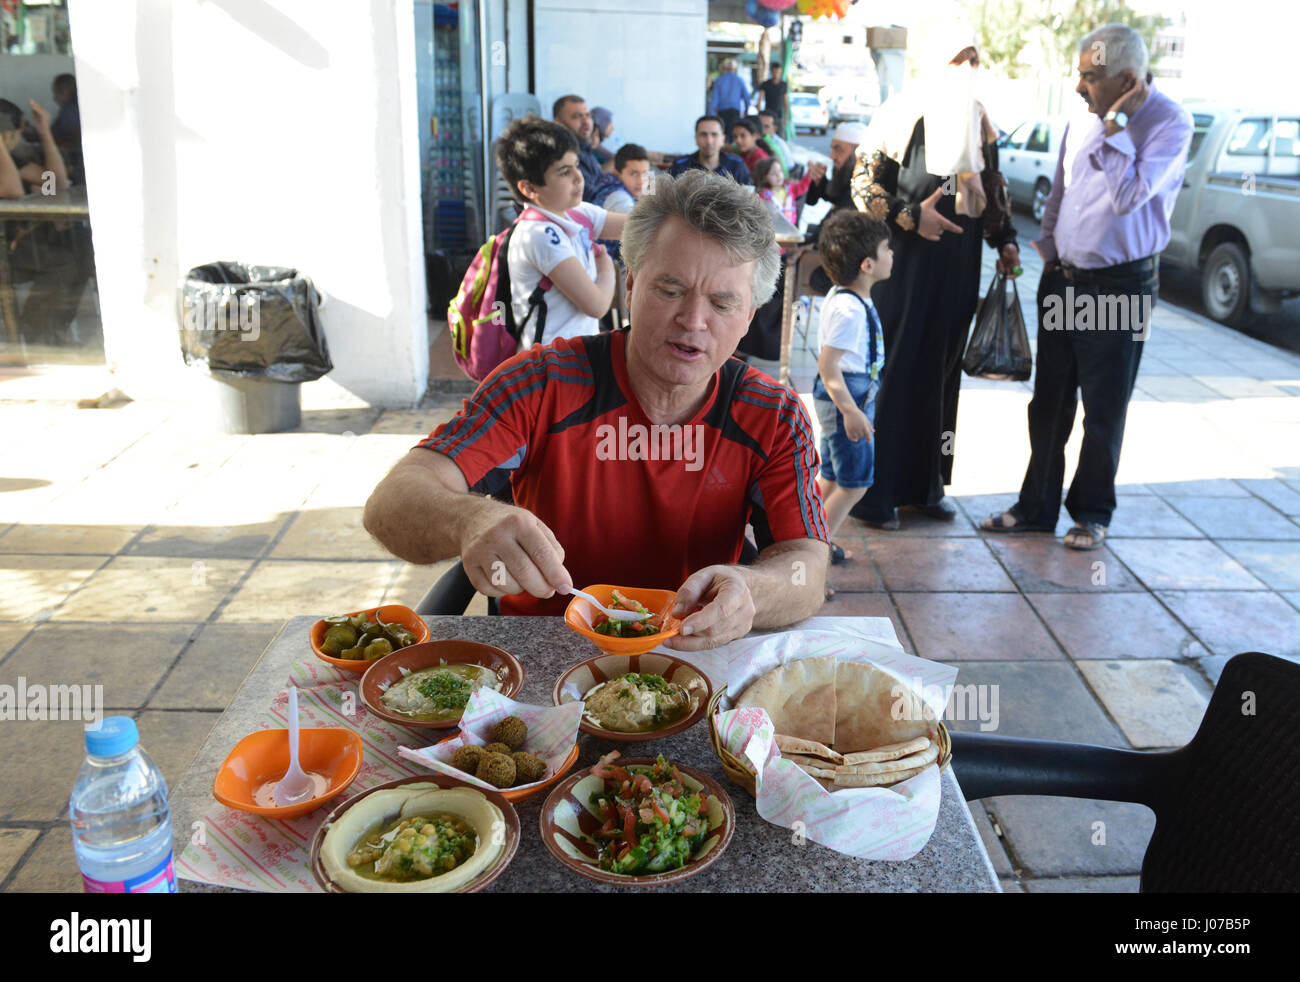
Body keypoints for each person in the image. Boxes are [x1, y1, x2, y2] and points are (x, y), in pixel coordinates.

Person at [363, 170, 830, 649]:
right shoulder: (543, 383)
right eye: (670, 290)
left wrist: (754, 589)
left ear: (750, 315)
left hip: (690, 659)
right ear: (630, 286)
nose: (693, 321)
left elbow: (807, 568)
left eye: (722, 302)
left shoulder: (771, 416)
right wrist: (466, 521)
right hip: (537, 658)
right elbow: (390, 503)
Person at [982, 24, 1192, 550]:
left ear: (1125, 80)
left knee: (1103, 408)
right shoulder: (1081, 117)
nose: (1079, 88)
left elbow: (1129, 196)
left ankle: (1091, 514)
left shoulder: (1169, 122)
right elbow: (1062, 192)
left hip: (1120, 288)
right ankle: (1035, 507)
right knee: (1049, 402)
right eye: (1078, 75)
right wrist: (1048, 253)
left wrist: (1118, 123)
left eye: (1090, 78)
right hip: (1064, 282)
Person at [847, 29, 1019, 531]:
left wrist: (1003, 238)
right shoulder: (901, 113)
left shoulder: (980, 120)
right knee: (897, 372)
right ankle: (874, 495)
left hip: (958, 268)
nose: (967, 71)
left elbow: (993, 189)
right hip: (903, 265)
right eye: (958, 60)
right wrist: (907, 216)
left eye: (974, 61)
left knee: (941, 376)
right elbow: (862, 185)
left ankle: (926, 486)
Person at [495, 116, 629, 348]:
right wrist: (604, 262)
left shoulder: (575, 212)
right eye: (565, 172)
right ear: (529, 188)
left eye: (577, 166)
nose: (579, 178)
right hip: (547, 368)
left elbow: (638, 225)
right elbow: (596, 306)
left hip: (573, 359)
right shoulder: (539, 234)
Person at [812, 211, 891, 571]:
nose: (893, 256)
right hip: (846, 398)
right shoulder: (849, 310)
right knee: (855, 483)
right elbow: (828, 366)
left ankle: (807, 538)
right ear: (868, 264)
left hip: (846, 396)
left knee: (831, 476)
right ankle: (812, 559)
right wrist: (851, 411)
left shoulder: (846, 297)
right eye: (888, 249)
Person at [669, 115, 751, 185]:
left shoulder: (736, 165)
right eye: (703, 135)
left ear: (723, 139)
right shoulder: (680, 165)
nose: (709, 141)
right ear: (696, 138)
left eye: (714, 135)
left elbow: (749, 196)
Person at [553, 95, 605, 202]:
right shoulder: (562, 153)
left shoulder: (584, 146)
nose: (586, 122)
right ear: (559, 123)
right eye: (577, 116)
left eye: (588, 115)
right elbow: (591, 197)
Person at [753, 157, 812, 228]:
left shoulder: (790, 188)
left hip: (790, 229)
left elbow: (803, 185)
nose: (778, 175)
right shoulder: (762, 196)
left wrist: (810, 173)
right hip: (772, 230)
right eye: (773, 174)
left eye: (780, 171)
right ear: (764, 178)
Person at [602, 144, 651, 214]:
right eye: (634, 174)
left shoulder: (609, 184)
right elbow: (642, 221)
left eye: (644, 174)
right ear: (617, 174)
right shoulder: (617, 196)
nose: (641, 181)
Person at [708, 58, 750, 136]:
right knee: (734, 134)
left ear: (726, 69)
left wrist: (711, 113)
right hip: (735, 112)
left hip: (722, 112)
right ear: (735, 69)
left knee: (723, 134)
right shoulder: (740, 80)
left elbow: (715, 99)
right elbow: (746, 97)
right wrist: (746, 110)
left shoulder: (719, 80)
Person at [755, 62, 789, 134]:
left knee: (780, 135)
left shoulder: (783, 85)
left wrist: (786, 117)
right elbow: (759, 99)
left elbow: (786, 102)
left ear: (780, 72)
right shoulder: (765, 84)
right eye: (774, 72)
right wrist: (759, 112)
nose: (776, 74)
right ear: (772, 71)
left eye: (778, 72)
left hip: (779, 116)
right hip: (768, 115)